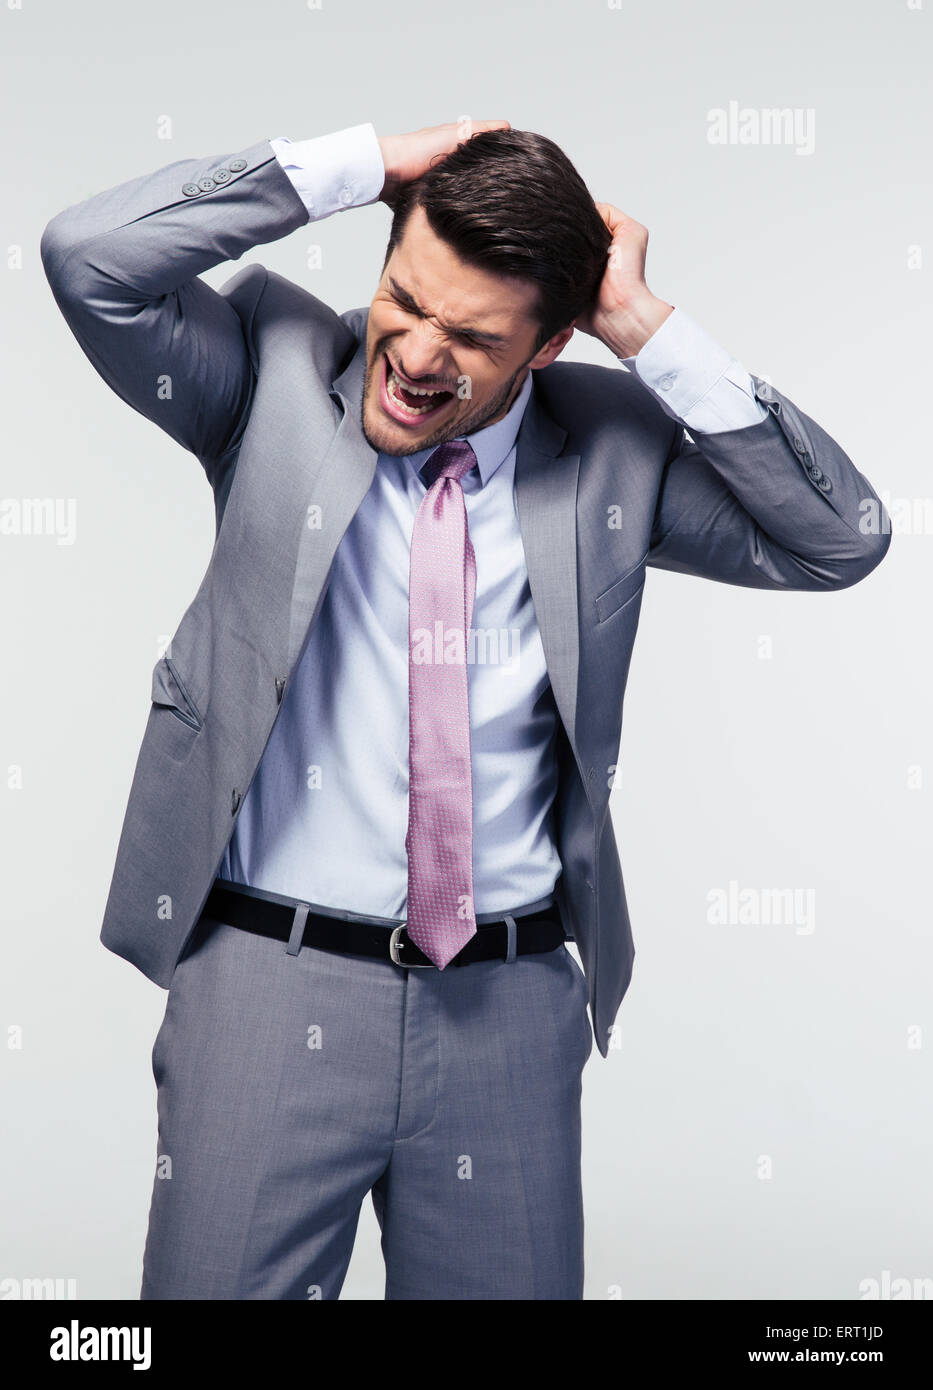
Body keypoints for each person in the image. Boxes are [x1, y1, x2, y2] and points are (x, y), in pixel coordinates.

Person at [40, 118, 890, 1300]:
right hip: (267, 990)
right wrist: (359, 164)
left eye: (475, 337)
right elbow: (87, 257)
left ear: (548, 346)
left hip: (507, 1007)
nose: (419, 355)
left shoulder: (608, 453)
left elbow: (841, 539)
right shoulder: (273, 375)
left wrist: (647, 330)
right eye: (406, 299)